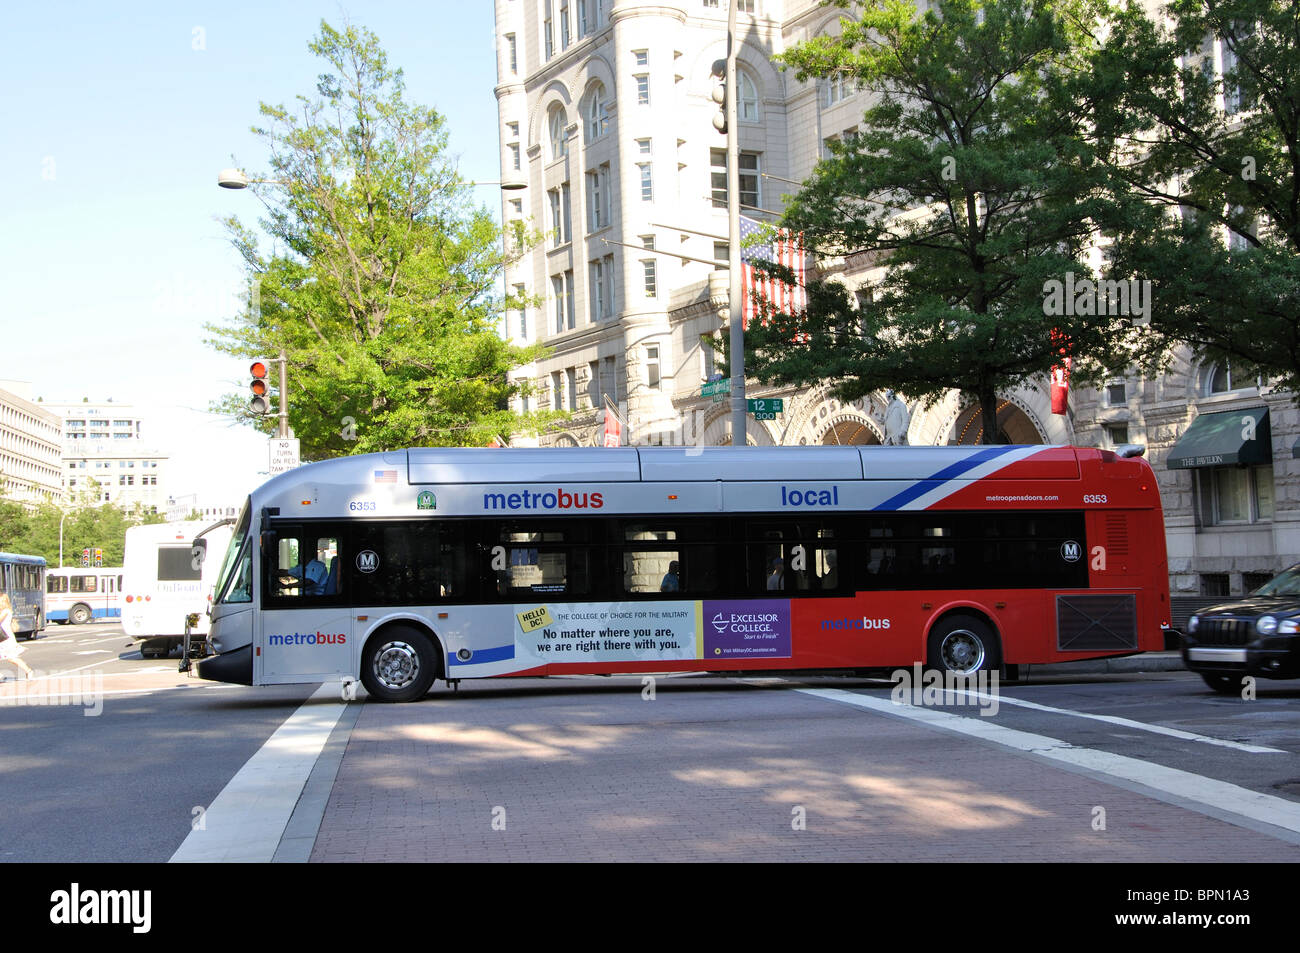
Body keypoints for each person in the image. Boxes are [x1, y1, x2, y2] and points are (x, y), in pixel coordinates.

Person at [0, 593, 34, 680]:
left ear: (3, 601)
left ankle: (28, 671)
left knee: (11, 657)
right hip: (2, 637)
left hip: (5, 638)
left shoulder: (6, 611)